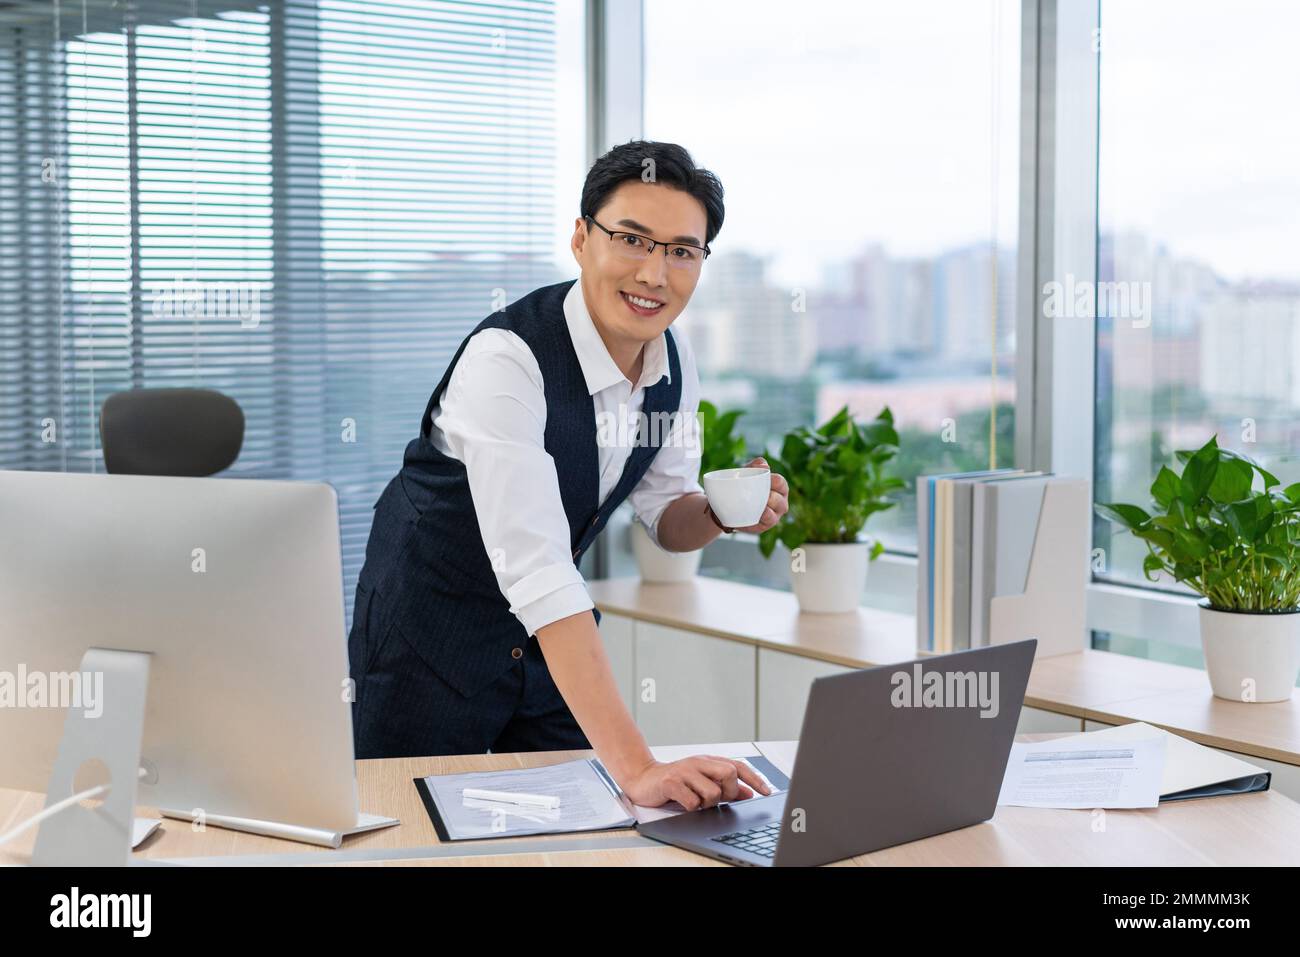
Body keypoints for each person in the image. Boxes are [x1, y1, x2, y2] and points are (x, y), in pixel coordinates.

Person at [349, 140, 789, 810]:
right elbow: (538, 566)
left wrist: (722, 513)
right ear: (582, 239)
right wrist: (641, 764)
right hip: (429, 640)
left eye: (681, 250)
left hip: (546, 649)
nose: (654, 272)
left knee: (586, 824)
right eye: (633, 240)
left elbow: (667, 510)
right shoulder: (508, 360)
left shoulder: (673, 360)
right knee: (410, 834)